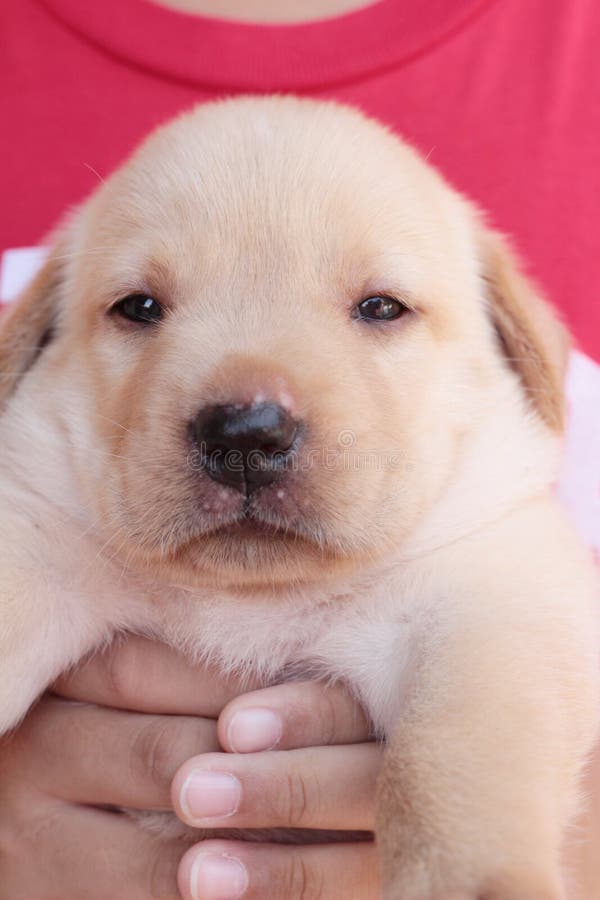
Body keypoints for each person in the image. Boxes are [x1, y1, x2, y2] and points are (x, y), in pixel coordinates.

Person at [1, 1, 599, 897]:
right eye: (141, 308)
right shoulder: (57, 504)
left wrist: (475, 853)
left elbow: (517, 633)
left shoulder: (470, 528)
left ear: (515, 353)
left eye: (378, 308)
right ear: (33, 346)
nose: (248, 422)